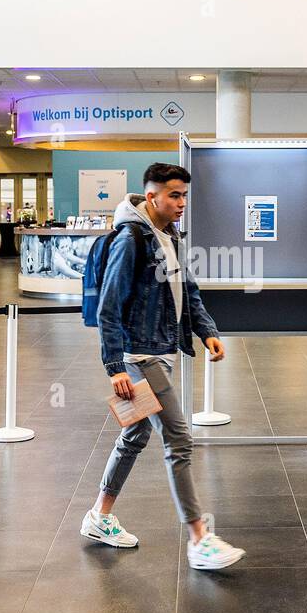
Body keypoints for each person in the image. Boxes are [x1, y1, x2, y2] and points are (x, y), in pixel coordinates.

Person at [84, 163, 246, 570]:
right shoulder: (130, 238)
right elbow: (109, 307)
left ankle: (99, 516)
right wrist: (115, 365)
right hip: (140, 357)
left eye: (185, 196)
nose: (181, 203)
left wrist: (206, 330)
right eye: (174, 195)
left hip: (160, 349)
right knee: (178, 438)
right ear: (151, 196)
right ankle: (198, 538)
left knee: (135, 435)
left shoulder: (168, 235)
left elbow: (186, 288)